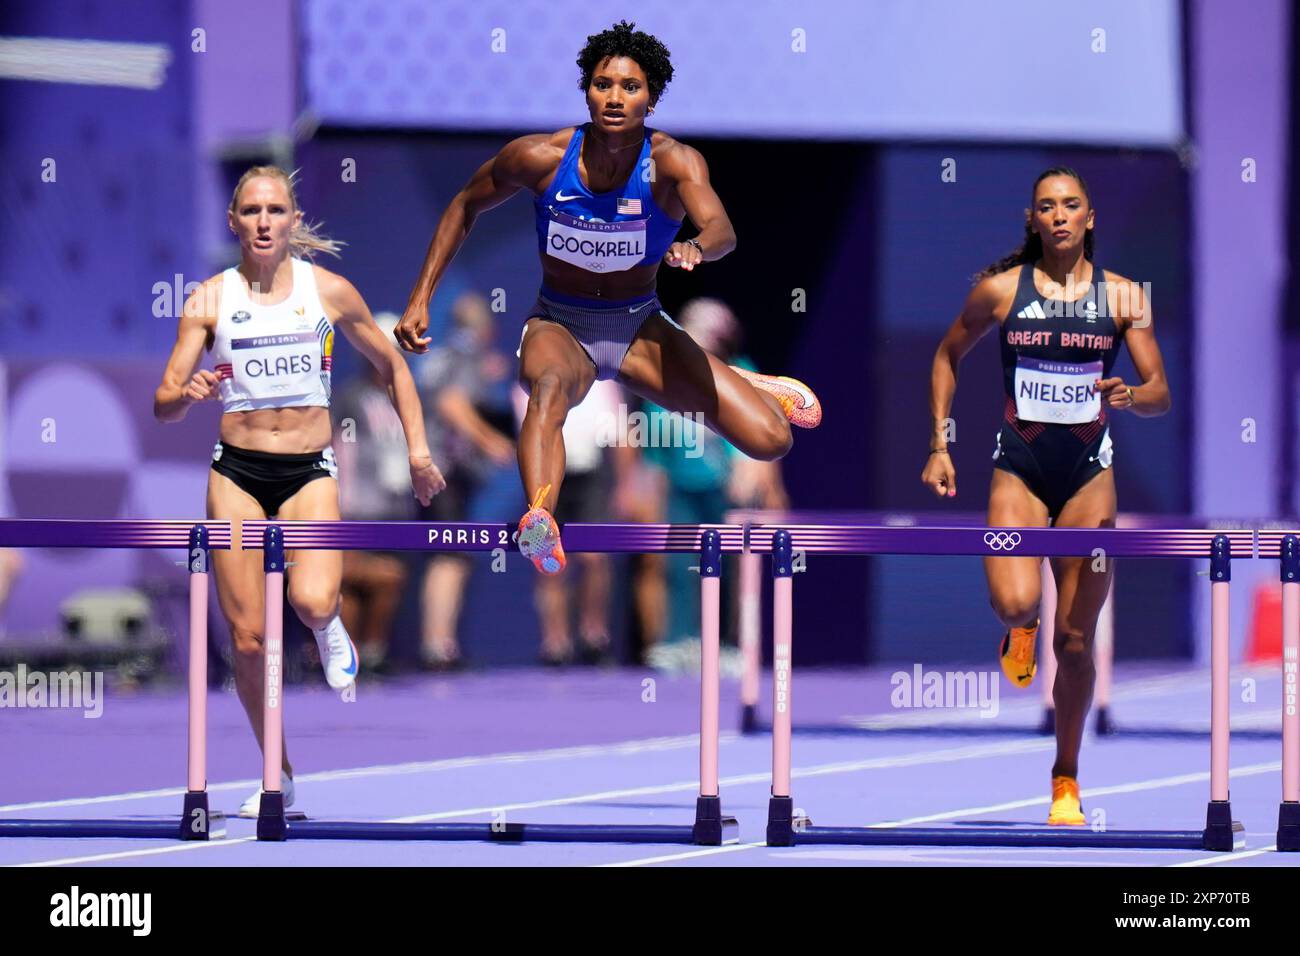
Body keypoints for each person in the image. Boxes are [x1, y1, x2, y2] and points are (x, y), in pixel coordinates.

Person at [395, 20, 821, 577]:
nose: (615, 97)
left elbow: (722, 230)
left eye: (630, 87)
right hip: (560, 324)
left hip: (639, 326)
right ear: (587, 91)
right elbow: (463, 206)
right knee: (547, 390)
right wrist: (420, 296)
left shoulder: (673, 162)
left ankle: (747, 384)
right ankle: (539, 522)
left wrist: (698, 247)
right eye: (602, 84)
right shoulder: (541, 157)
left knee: (770, 441)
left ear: (652, 97)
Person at [153, 166, 445, 816]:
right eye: (251, 210)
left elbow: (393, 365)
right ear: (233, 221)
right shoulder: (208, 299)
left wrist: (418, 451)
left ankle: (326, 622)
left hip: (308, 468)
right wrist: (186, 393)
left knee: (312, 602)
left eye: (275, 210)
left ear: (291, 221)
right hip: (236, 472)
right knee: (250, 639)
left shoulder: (329, 292)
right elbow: (163, 402)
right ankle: (275, 770)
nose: (263, 221)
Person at [921, 167, 1170, 826]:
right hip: (1021, 466)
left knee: (1078, 645)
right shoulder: (1001, 292)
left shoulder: (1125, 298)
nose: (1059, 216)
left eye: (1071, 206)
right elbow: (947, 356)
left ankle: (1065, 775)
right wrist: (940, 445)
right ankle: (1020, 631)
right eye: (1046, 207)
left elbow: (1159, 392)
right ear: (1032, 221)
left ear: (1090, 218)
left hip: (1089, 472)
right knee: (1014, 602)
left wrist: (1130, 396)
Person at [639, 298, 788, 670]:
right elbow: (655, 445)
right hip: (681, 488)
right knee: (679, 566)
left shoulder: (744, 372)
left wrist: (756, 476)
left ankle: (733, 645)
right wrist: (647, 488)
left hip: (728, 489)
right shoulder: (662, 374)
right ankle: (680, 642)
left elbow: (762, 431)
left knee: (736, 566)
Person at [415, 292, 516, 669]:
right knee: (449, 556)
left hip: (438, 468)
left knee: (449, 556)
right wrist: (491, 442)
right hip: (445, 469)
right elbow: (451, 404)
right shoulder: (465, 355)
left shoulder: (444, 354)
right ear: (484, 328)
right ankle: (437, 647)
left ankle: (440, 643)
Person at [332, 312, 419, 672]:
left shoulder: (408, 395)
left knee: (388, 583)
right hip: (356, 512)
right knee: (349, 586)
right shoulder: (350, 397)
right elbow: (339, 451)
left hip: (395, 511)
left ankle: (371, 654)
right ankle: (346, 658)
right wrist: (338, 506)